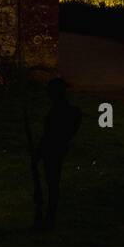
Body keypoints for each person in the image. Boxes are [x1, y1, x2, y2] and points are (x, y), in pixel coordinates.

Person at [34, 77, 82, 230]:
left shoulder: (59, 113)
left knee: (52, 183)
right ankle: (48, 215)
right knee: (52, 183)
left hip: (53, 150)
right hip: (58, 149)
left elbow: (49, 135)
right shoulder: (70, 112)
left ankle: (49, 217)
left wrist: (38, 154)